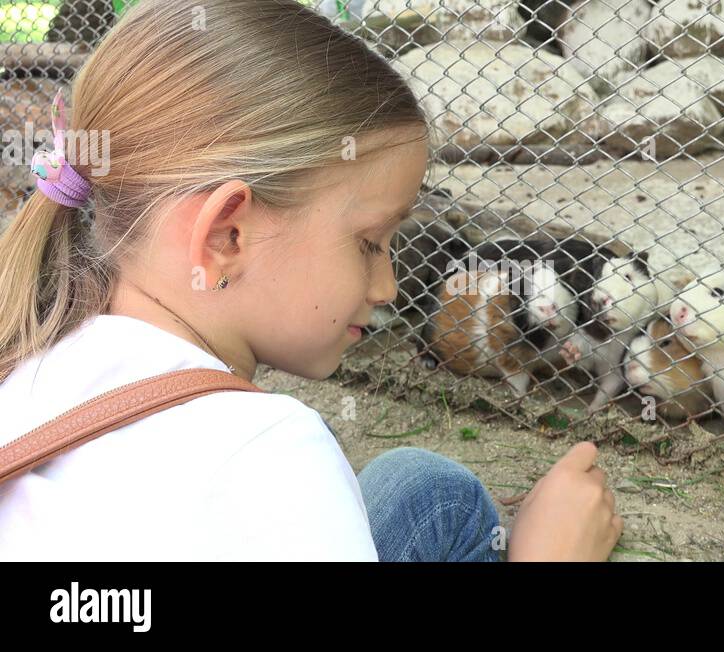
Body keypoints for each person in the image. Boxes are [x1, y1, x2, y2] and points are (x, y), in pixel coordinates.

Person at [0, 0, 622, 561]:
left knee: (423, 490)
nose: (389, 287)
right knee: (443, 504)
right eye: (370, 244)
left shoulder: (29, 357)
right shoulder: (271, 456)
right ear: (226, 236)